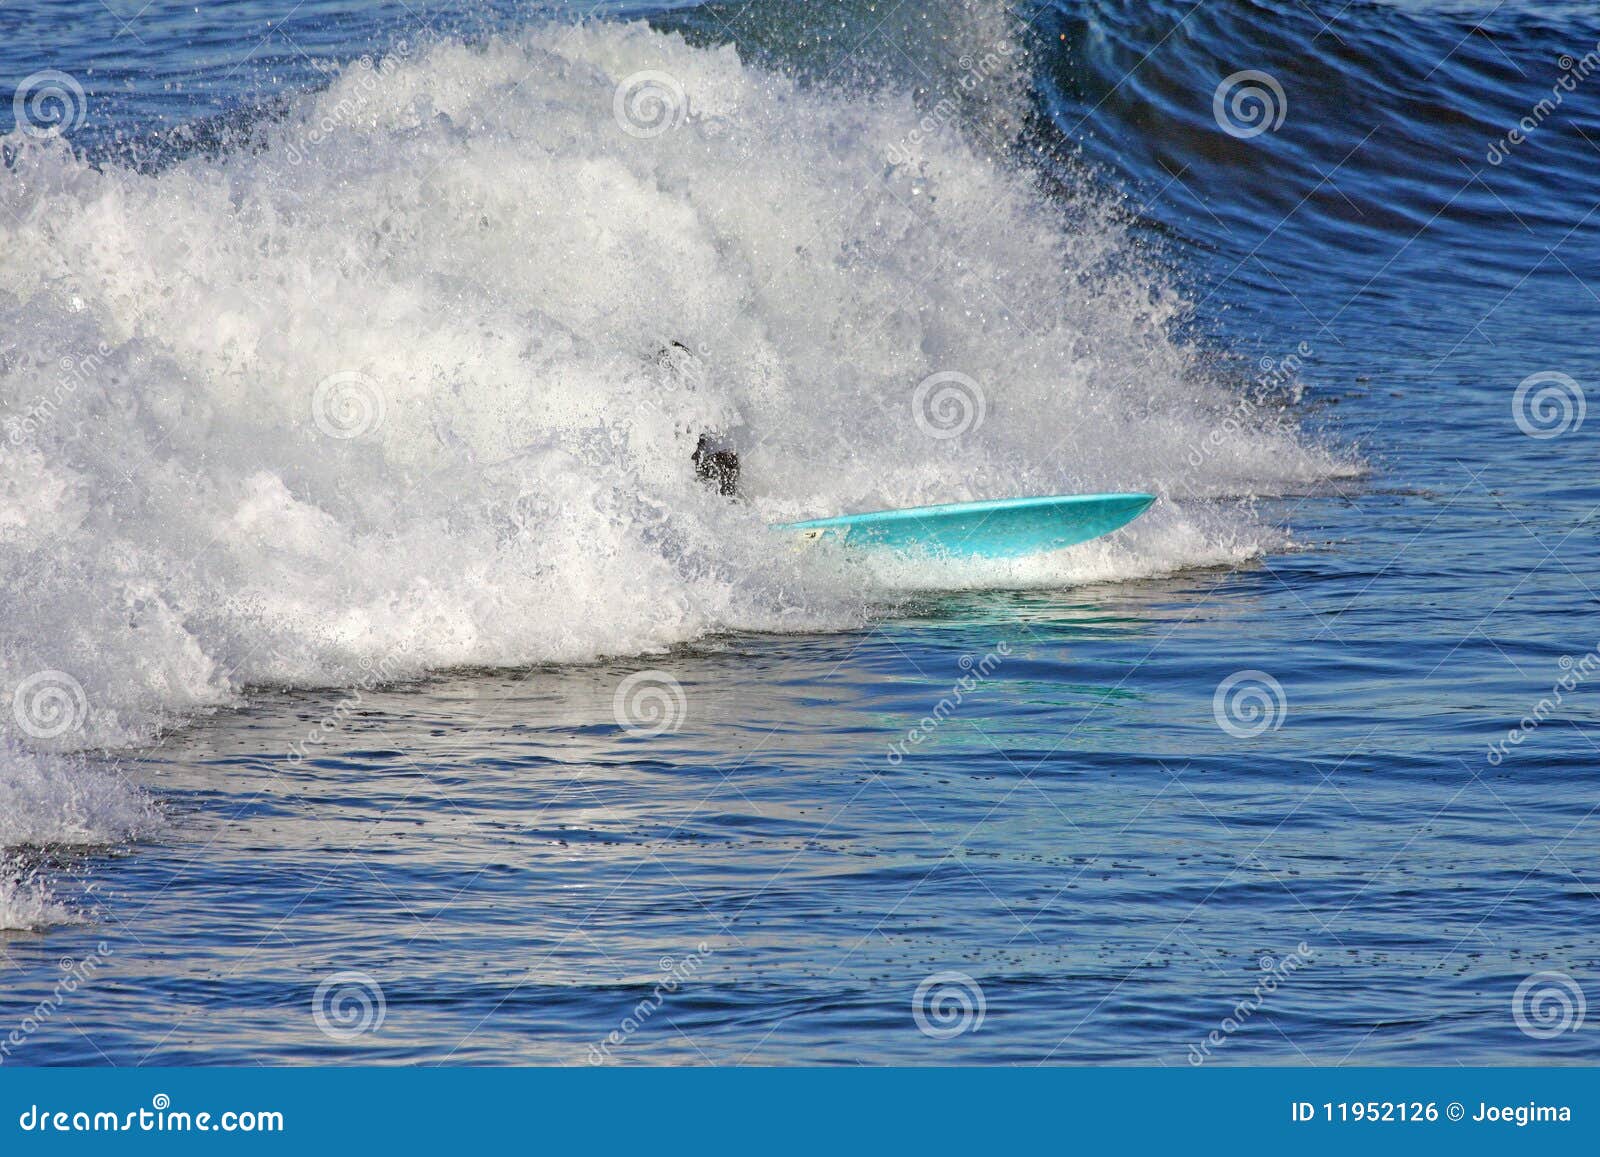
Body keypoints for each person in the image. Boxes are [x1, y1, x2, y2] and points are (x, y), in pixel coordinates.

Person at [658, 341, 740, 497]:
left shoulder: (704, 405)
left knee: (725, 460)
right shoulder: (665, 408)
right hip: (686, 473)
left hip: (704, 468)